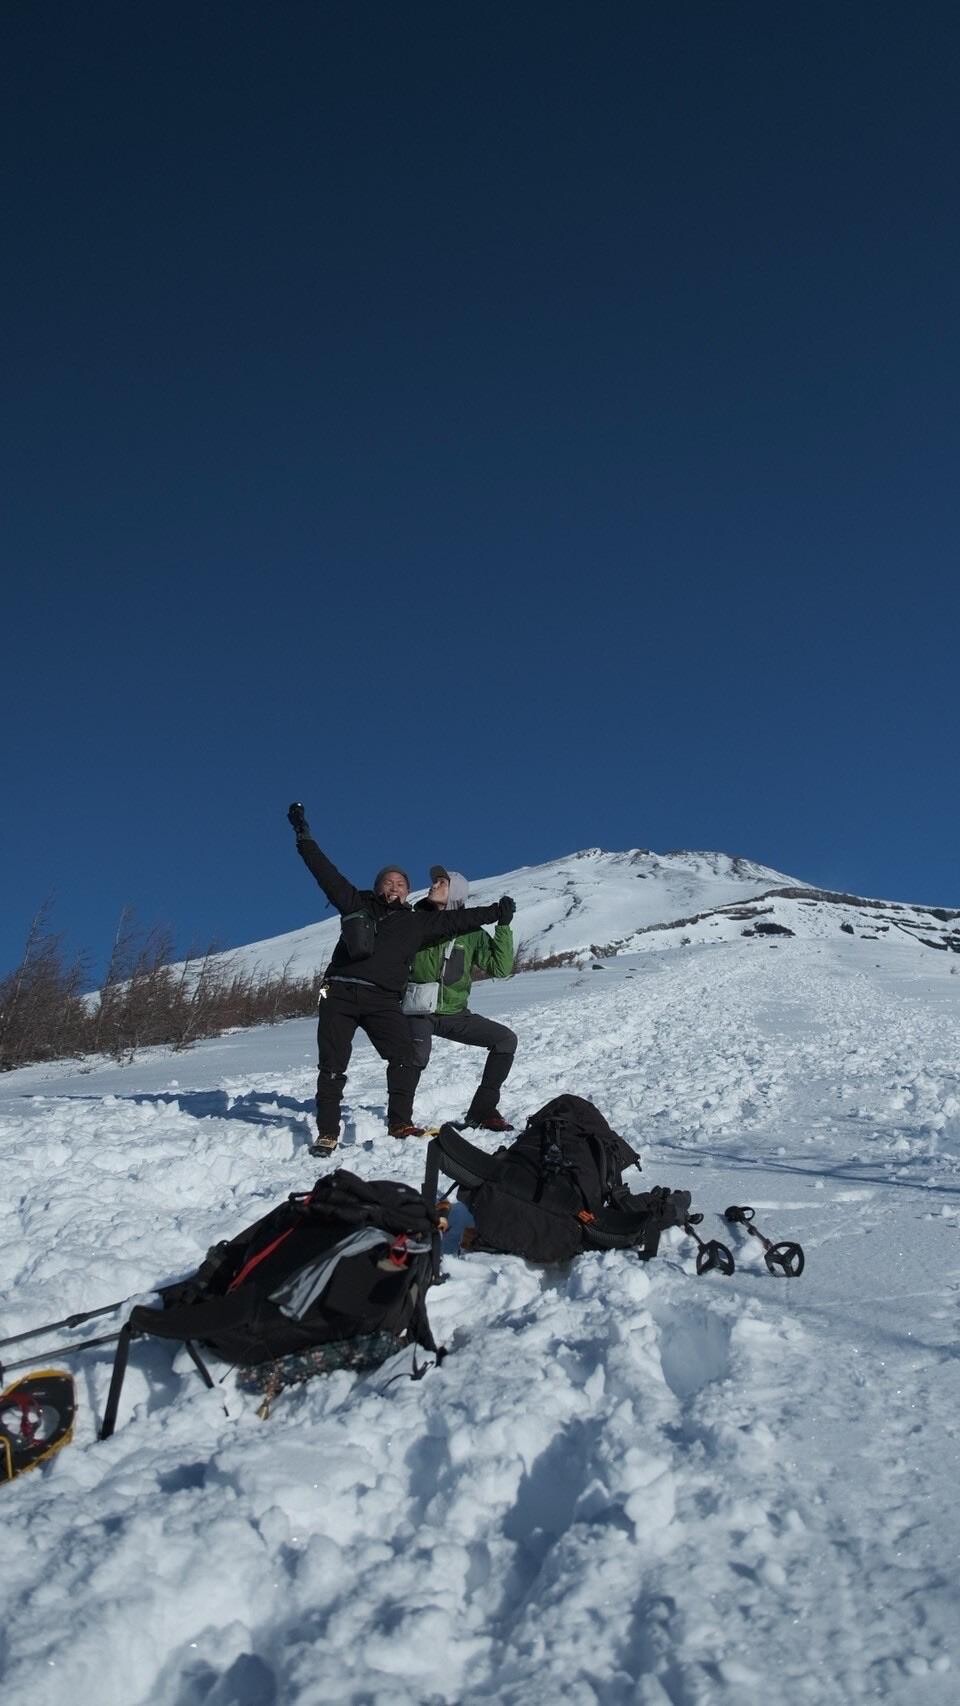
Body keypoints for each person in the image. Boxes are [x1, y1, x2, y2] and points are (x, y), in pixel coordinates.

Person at [287, 804, 514, 1155]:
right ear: (378, 888)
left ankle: (400, 1122)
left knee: (406, 1057)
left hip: (385, 1001)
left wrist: (499, 916)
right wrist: (304, 836)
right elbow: (325, 872)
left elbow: (460, 923)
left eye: (401, 883)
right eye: (387, 882)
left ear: (408, 892)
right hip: (341, 993)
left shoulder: (417, 923)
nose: (395, 886)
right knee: (333, 1064)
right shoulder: (356, 904)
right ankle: (328, 1132)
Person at [403, 865, 517, 1132]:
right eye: (434, 882)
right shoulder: (415, 921)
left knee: (505, 1040)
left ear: (455, 893)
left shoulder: (472, 932)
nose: (432, 886)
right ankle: (401, 1121)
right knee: (418, 1055)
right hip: (418, 1010)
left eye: (441, 883)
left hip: (455, 1013)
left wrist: (503, 926)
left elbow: (500, 969)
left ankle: (482, 1111)